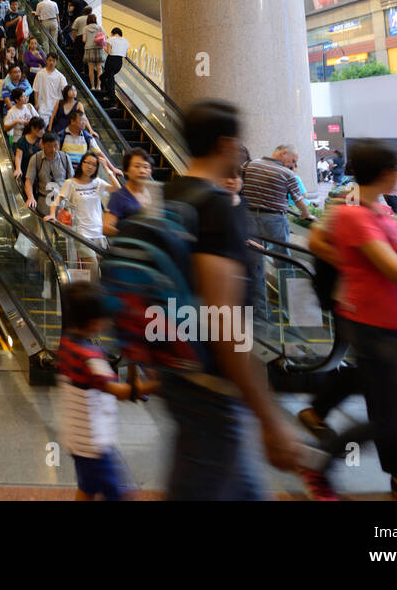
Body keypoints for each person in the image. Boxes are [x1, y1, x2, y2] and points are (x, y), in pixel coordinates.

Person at [160, 101, 301, 499]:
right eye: (238, 143)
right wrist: (269, 416)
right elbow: (223, 319)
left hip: (175, 362)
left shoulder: (170, 194)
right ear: (225, 144)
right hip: (212, 379)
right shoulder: (216, 208)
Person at [308, 139, 397, 501]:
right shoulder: (353, 209)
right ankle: (324, 462)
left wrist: (359, 266)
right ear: (386, 173)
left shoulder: (379, 209)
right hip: (376, 325)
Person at [55, 281, 157, 501]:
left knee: (88, 487)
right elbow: (119, 392)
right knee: (121, 493)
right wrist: (159, 385)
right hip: (95, 445)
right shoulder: (91, 357)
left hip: (76, 440)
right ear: (94, 323)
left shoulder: (66, 345)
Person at [241, 145, 311, 315]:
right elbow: (299, 200)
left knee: (255, 263)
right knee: (283, 262)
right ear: (283, 153)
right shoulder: (287, 174)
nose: (293, 164)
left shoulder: (249, 165)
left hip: (249, 217)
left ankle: (260, 310)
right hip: (275, 220)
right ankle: (290, 309)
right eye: (293, 160)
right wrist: (305, 214)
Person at [51, 151, 120, 269]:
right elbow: (57, 200)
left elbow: (117, 188)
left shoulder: (97, 182)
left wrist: (106, 168)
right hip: (81, 232)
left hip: (98, 231)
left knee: (101, 268)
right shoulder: (70, 183)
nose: (90, 167)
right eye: (87, 163)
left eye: (94, 165)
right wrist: (52, 215)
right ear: (82, 163)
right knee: (93, 267)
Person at [104, 148, 154, 234]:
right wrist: (130, 236)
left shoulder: (154, 192)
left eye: (146, 167)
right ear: (127, 171)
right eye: (137, 166)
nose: (142, 171)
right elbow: (105, 227)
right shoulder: (119, 196)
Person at [25, 132, 72, 217]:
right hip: (44, 202)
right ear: (43, 145)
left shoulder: (64, 157)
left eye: (56, 146)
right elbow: (29, 181)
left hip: (62, 202)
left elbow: (72, 180)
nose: (53, 149)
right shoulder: (36, 159)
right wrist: (30, 197)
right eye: (49, 146)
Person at [33, 53, 67, 124]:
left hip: (56, 106)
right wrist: (36, 103)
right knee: (42, 125)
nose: (51, 62)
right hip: (43, 105)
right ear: (46, 61)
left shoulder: (60, 76)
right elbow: (36, 89)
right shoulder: (40, 73)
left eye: (54, 61)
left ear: (56, 62)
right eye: (50, 60)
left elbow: (66, 89)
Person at [12, 117, 46, 185]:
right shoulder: (22, 141)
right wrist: (18, 169)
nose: (43, 131)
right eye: (40, 129)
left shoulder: (42, 139)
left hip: (38, 172)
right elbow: (18, 156)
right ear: (32, 128)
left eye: (43, 129)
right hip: (26, 171)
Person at [100, 28, 130, 98]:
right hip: (119, 63)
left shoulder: (111, 39)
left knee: (108, 78)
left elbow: (108, 52)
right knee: (104, 77)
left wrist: (103, 47)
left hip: (111, 61)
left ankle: (111, 95)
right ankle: (109, 94)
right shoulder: (126, 41)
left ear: (113, 33)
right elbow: (126, 54)